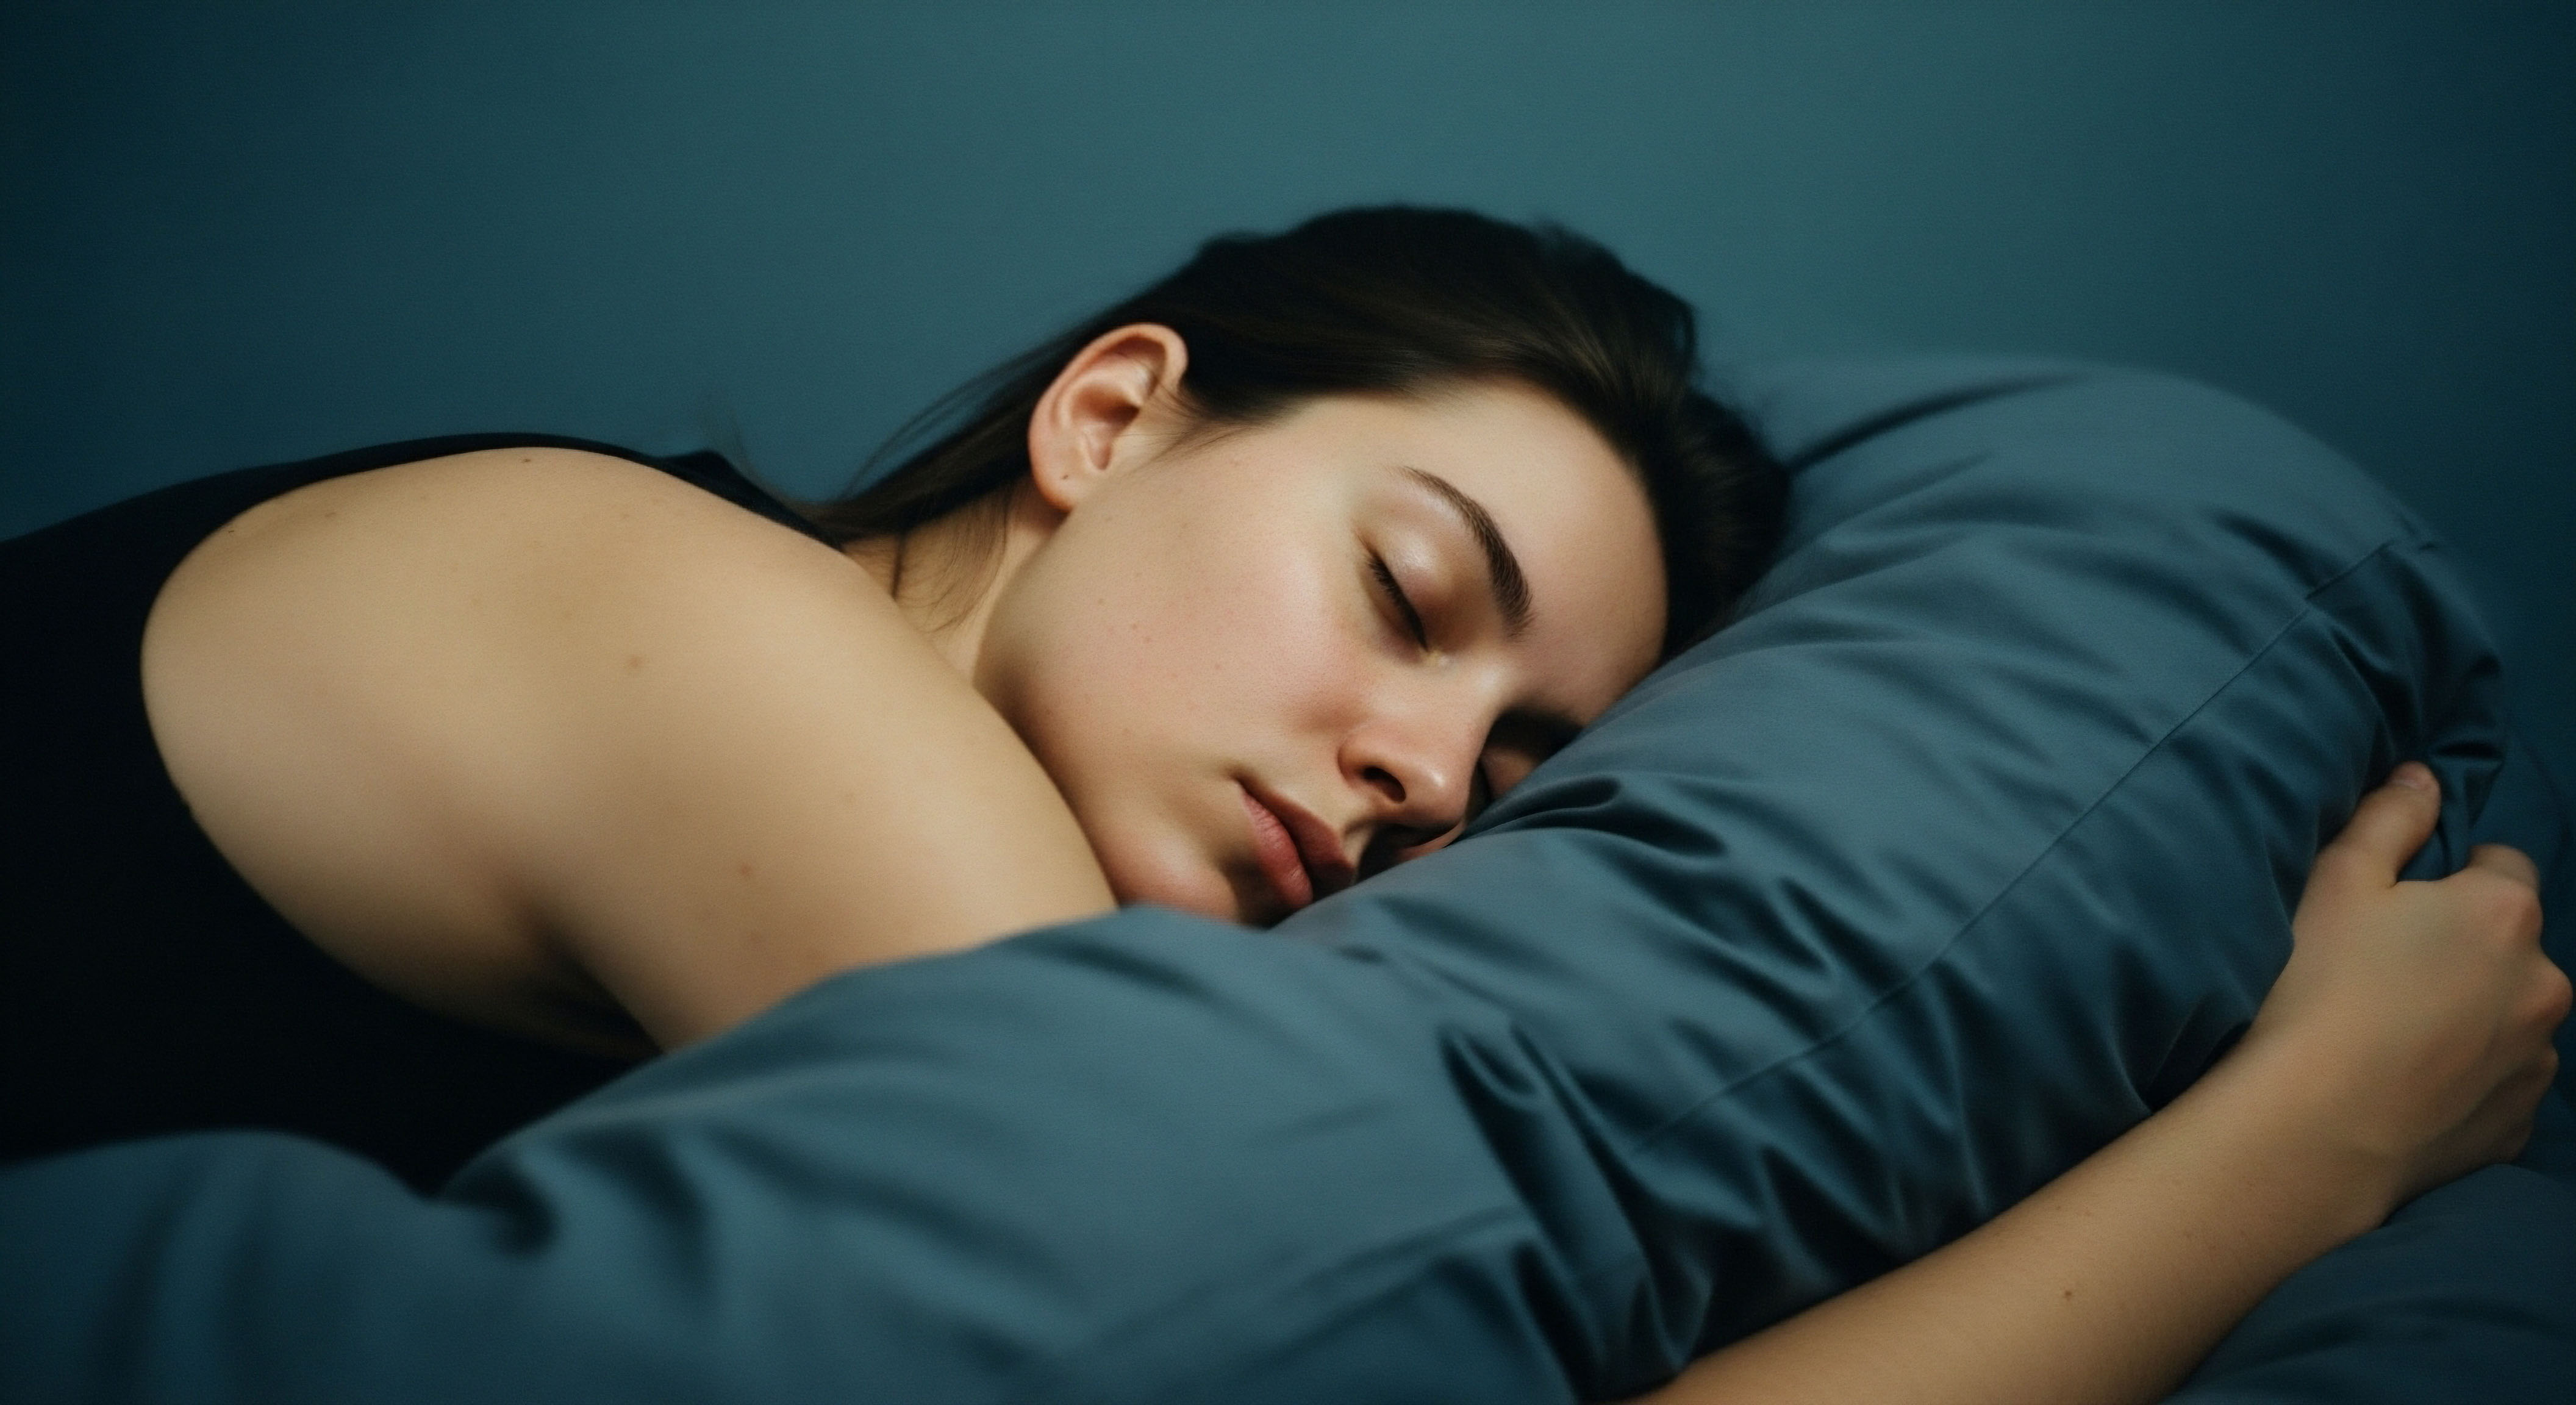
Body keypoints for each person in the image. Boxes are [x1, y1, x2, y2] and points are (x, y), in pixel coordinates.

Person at [0, 207, 2560, 1405]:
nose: (1430, 781)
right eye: (1411, 593)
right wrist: (2303, 1142)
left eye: (1526, 769)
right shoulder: (743, 650)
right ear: (1112, 419)